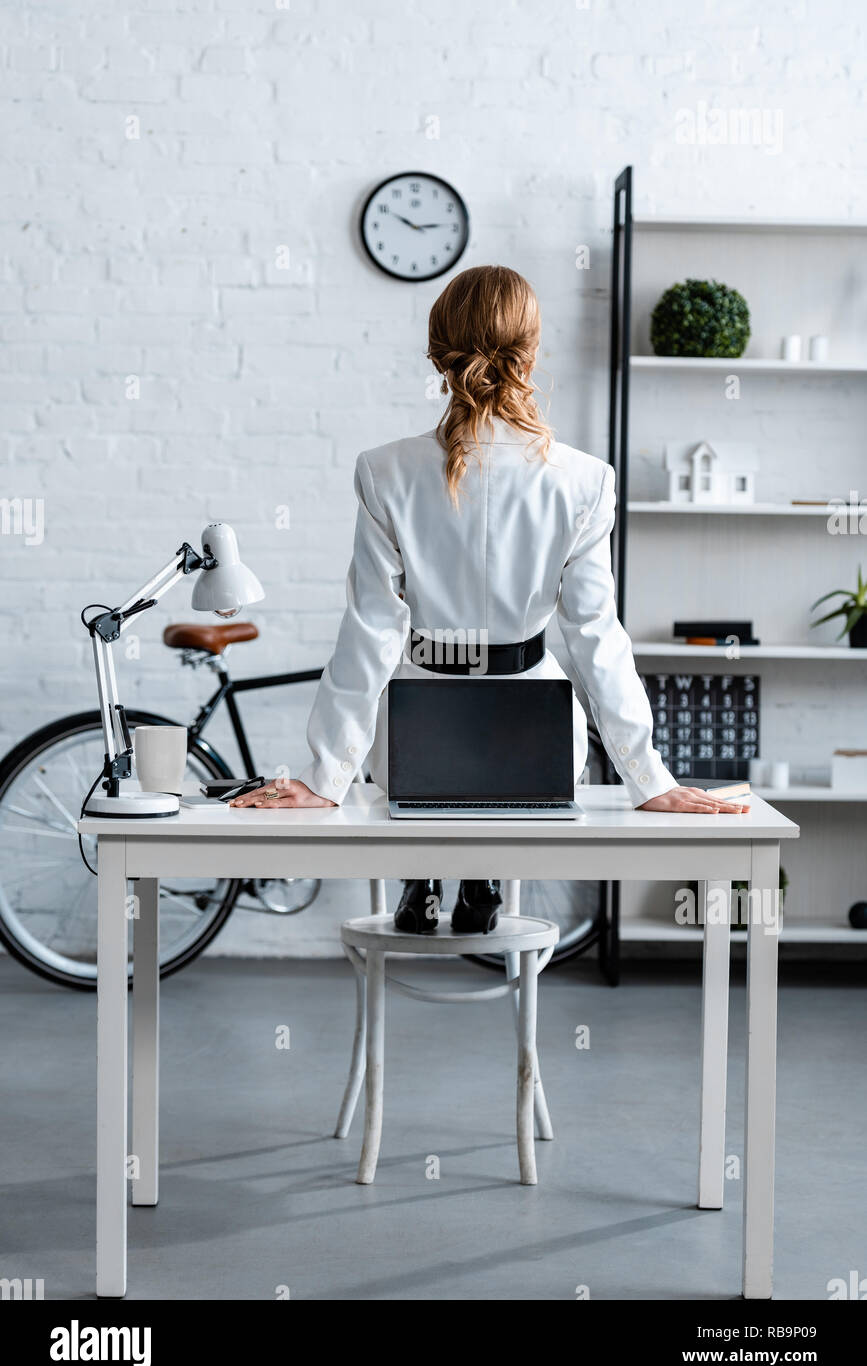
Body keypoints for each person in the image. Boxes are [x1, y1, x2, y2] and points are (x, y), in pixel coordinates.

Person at [232, 265, 747, 933]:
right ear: (530, 351)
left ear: (437, 354)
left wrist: (324, 776)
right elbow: (594, 633)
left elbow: (369, 631)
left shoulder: (383, 470)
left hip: (415, 733)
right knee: (507, 789)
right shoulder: (586, 479)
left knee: (413, 776)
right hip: (535, 738)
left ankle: (420, 883)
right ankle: (480, 880)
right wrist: (648, 778)